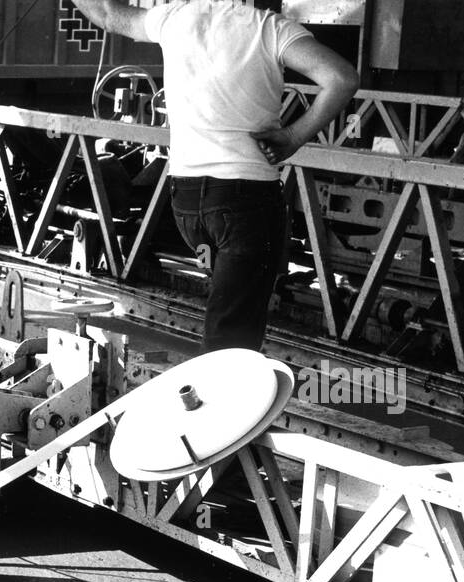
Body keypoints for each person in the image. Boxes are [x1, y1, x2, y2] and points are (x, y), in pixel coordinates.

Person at [72, 1, 359, 352]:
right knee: (231, 337)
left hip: (189, 208)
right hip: (245, 204)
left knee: (228, 308)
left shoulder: (174, 18)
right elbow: (342, 79)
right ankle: (222, 397)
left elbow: (105, 13)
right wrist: (293, 136)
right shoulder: (269, 28)